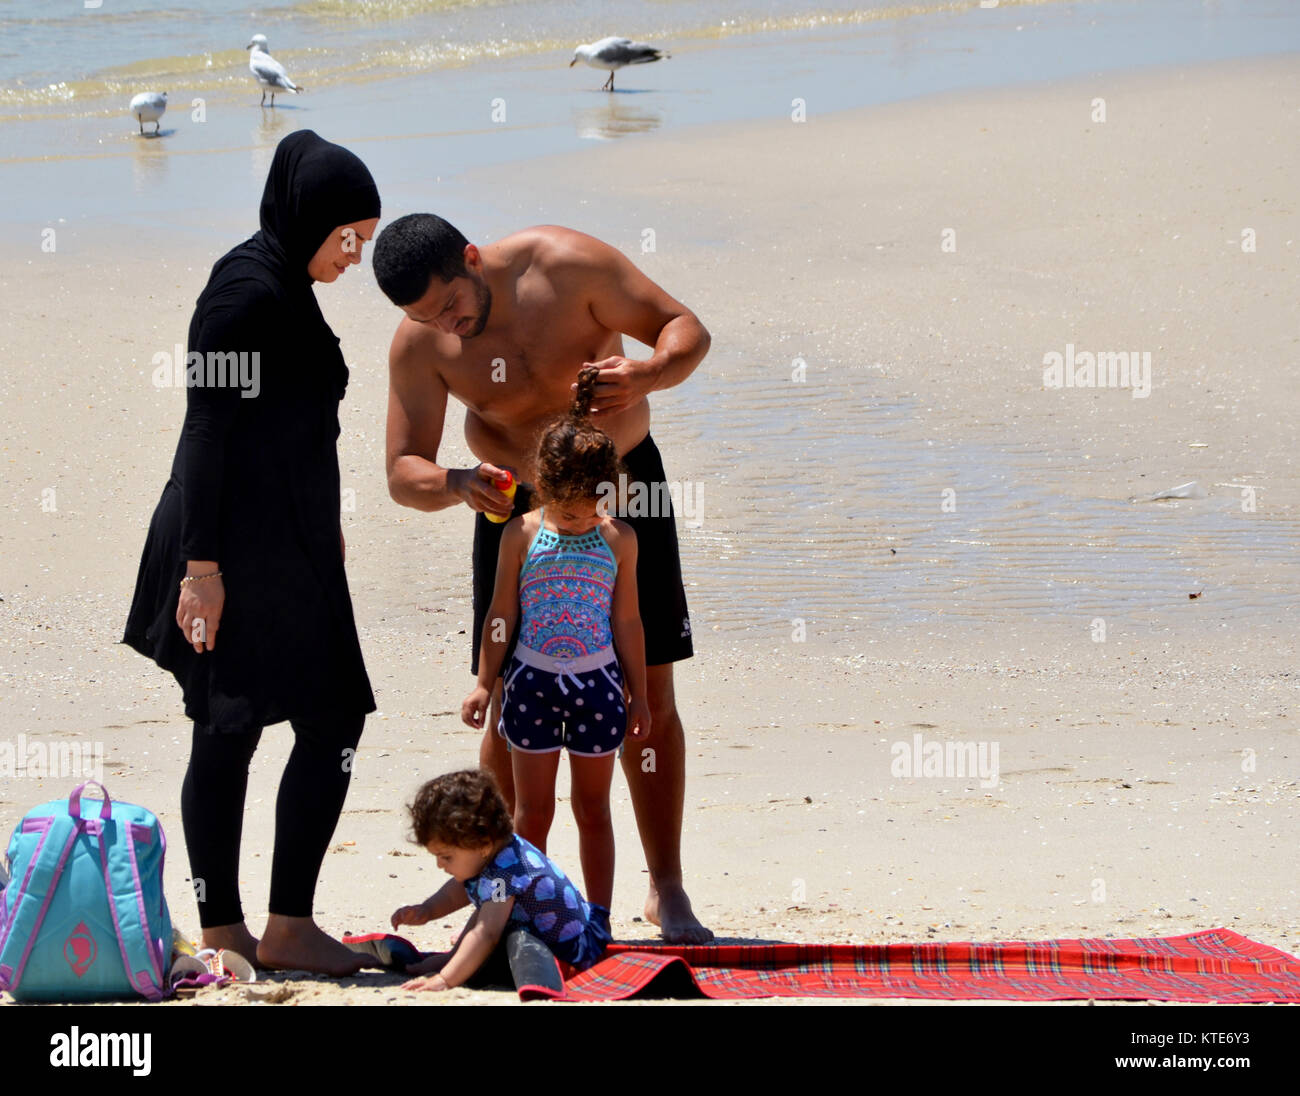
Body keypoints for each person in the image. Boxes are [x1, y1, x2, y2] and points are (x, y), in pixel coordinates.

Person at [372, 214, 715, 943]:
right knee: (505, 696)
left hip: (622, 491)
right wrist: (461, 483)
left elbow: (685, 327)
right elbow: (404, 469)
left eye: (450, 307)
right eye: (427, 319)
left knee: (647, 686)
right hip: (514, 512)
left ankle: (666, 888)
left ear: (472, 259)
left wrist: (649, 372)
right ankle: (508, 893)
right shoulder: (421, 342)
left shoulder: (568, 266)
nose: (448, 328)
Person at [122, 130, 382, 976]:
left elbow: (304, 423)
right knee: (227, 726)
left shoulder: (292, 285)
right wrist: (201, 572)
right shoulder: (243, 293)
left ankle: (288, 924)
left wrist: (326, 517)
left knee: (333, 715)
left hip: (296, 540)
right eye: (349, 236)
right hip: (228, 544)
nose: (356, 254)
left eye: (366, 239)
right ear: (308, 216)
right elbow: (206, 432)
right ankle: (225, 928)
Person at [461, 367, 650, 917]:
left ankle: (599, 919)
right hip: (530, 684)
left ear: (607, 490)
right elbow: (500, 614)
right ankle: (532, 916)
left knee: (593, 808)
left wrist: (638, 696)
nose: (576, 520)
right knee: (531, 812)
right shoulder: (520, 532)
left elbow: (628, 624)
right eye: (566, 510)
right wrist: (481, 685)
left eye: (587, 508)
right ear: (541, 485)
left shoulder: (620, 540)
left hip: (598, 686)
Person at [394, 769, 612, 991]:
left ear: (484, 844)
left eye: (446, 857)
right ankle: (453, 958)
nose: (440, 865)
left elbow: (487, 933)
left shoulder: (503, 875)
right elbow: (459, 890)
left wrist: (445, 979)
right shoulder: (495, 851)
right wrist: (428, 909)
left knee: (483, 956)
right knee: (485, 910)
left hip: (565, 954)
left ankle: (453, 965)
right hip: (542, 936)